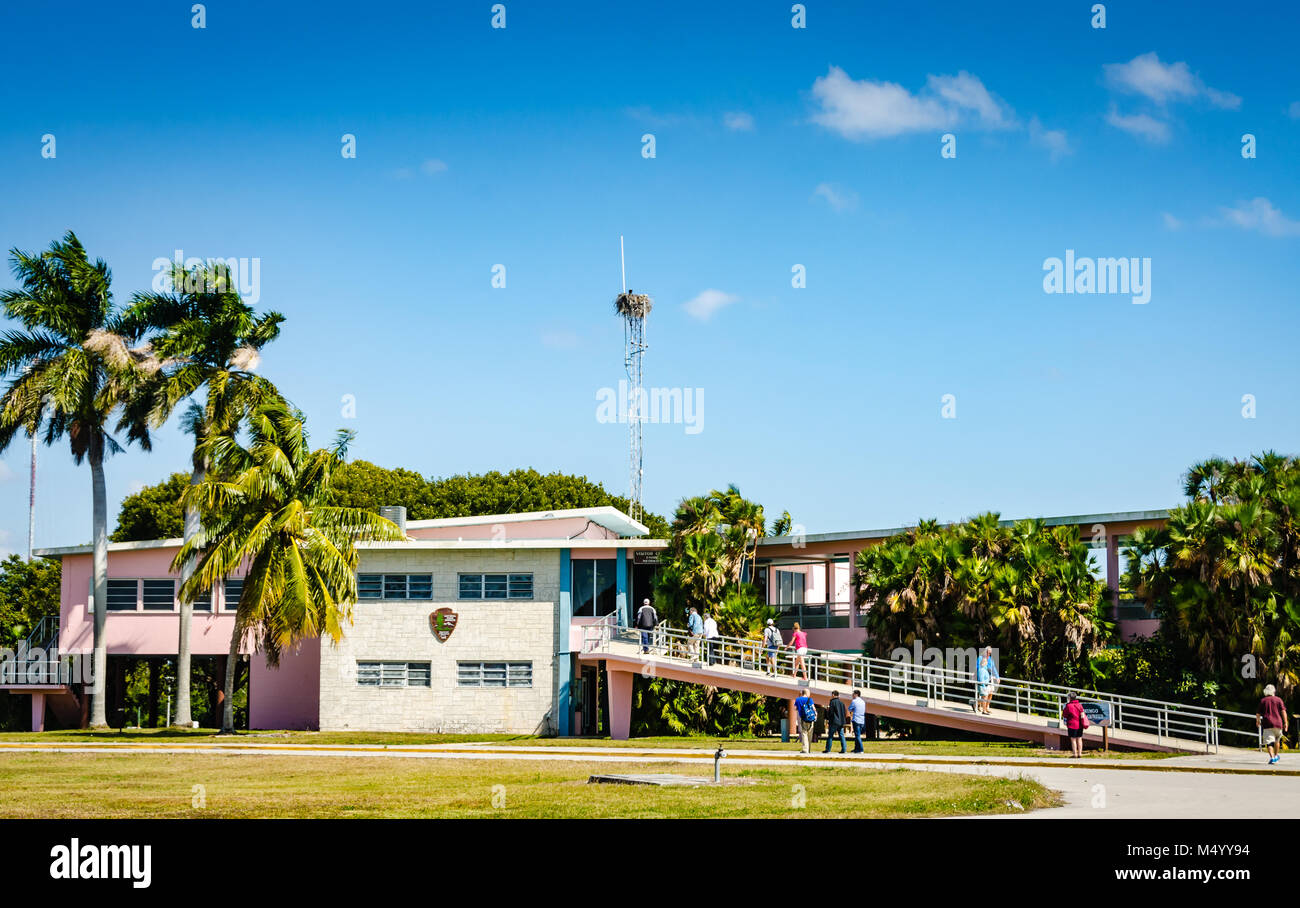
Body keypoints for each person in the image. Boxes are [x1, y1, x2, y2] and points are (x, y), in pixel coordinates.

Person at [1257, 683, 1289, 765]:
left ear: (1265, 691)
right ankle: (1276, 756)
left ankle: (1272, 758)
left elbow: (1258, 714)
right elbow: (1283, 711)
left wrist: (1258, 721)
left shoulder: (1263, 700)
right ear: (1274, 691)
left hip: (1267, 724)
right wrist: (1285, 722)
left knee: (1269, 743)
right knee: (1277, 741)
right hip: (1278, 723)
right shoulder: (1279, 700)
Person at [1061, 691, 1088, 758]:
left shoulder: (1068, 706)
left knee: (1073, 739)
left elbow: (1064, 715)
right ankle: (1080, 754)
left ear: (1070, 698)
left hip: (1072, 724)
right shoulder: (1079, 705)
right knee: (1079, 739)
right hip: (1080, 725)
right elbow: (1082, 714)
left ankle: (1075, 754)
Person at [976, 646, 999, 715]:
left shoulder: (991, 659)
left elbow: (994, 668)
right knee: (984, 694)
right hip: (983, 679)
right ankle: (980, 706)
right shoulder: (980, 658)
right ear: (985, 651)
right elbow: (977, 668)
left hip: (989, 679)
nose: (989, 654)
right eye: (988, 652)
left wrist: (997, 677)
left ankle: (986, 707)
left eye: (990, 653)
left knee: (990, 692)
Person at [794, 688, 817, 754]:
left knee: (804, 733)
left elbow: (795, 708)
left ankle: (805, 749)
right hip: (810, 718)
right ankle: (809, 749)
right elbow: (814, 708)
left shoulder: (798, 699)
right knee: (810, 733)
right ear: (807, 693)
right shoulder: (810, 700)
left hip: (802, 718)